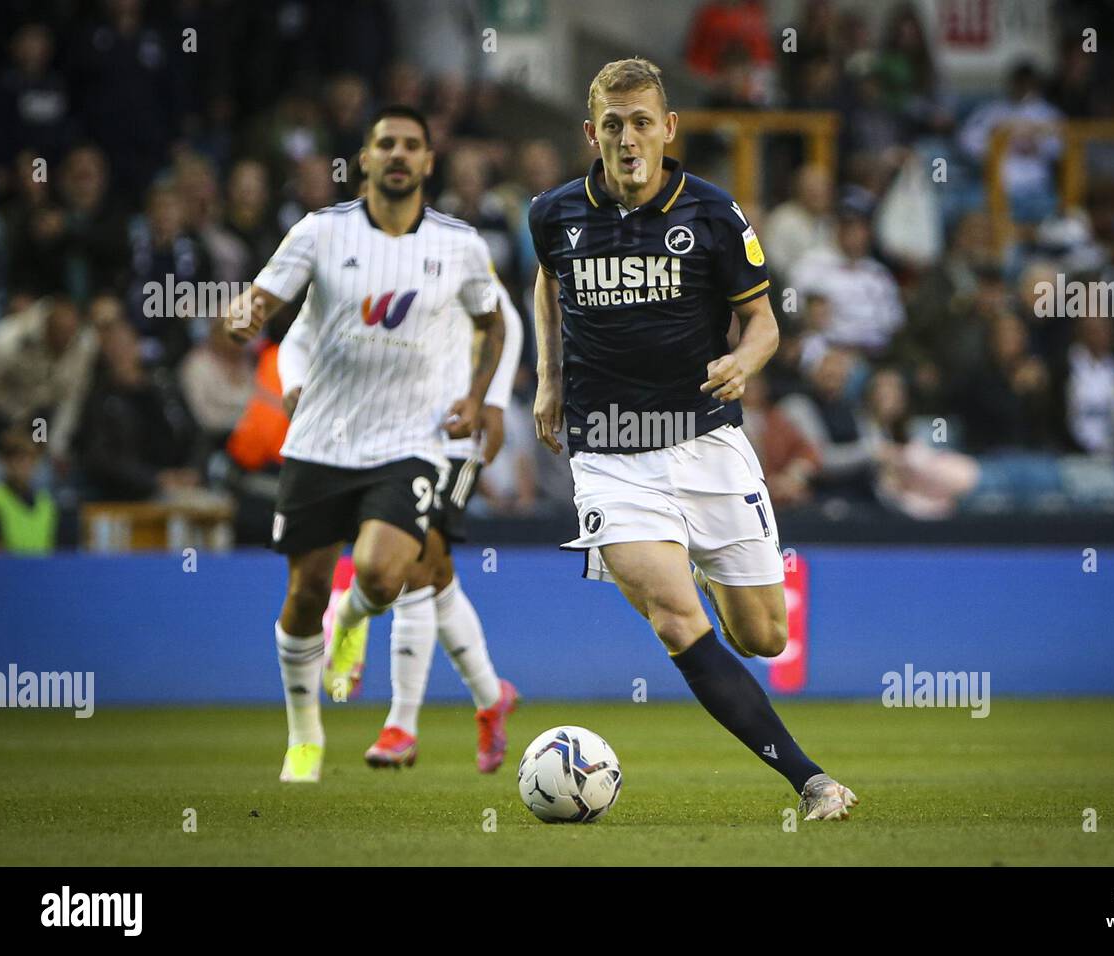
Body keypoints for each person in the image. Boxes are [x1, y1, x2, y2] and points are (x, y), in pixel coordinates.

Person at [529, 58, 856, 820]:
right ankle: (811, 781)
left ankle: (703, 561)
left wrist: (744, 360)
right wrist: (548, 375)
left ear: (668, 128)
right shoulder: (553, 214)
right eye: (613, 124)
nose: (628, 137)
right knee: (678, 621)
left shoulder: (712, 214)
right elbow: (548, 279)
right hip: (609, 454)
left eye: (642, 121)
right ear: (592, 133)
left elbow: (766, 322)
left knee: (764, 636)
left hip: (706, 443)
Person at [223, 105, 505, 783]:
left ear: (429, 162)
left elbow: (492, 322)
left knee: (383, 574)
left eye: (412, 144)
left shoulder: (461, 244)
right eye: (387, 144)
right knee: (303, 592)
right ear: (367, 158)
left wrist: (478, 393)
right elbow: (263, 298)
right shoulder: (320, 232)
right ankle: (304, 735)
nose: (400, 154)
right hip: (321, 438)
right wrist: (243, 313)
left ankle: (352, 622)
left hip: (410, 440)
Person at [278, 272, 524, 772]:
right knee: (433, 573)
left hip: (455, 438)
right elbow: (302, 334)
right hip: (395, 439)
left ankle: (400, 726)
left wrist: (492, 403)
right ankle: (489, 695)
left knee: (415, 567)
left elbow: (505, 319)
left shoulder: (446, 251)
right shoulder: (352, 260)